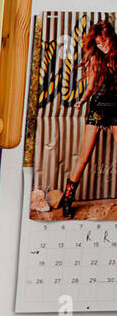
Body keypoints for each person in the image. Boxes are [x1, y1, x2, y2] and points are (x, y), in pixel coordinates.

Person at [59, 19, 117, 218]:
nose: (102, 46)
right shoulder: (96, 59)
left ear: (111, 37)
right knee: (84, 157)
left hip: (116, 107)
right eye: (99, 43)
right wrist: (82, 100)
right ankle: (67, 200)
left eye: (105, 41)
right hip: (99, 106)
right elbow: (91, 86)